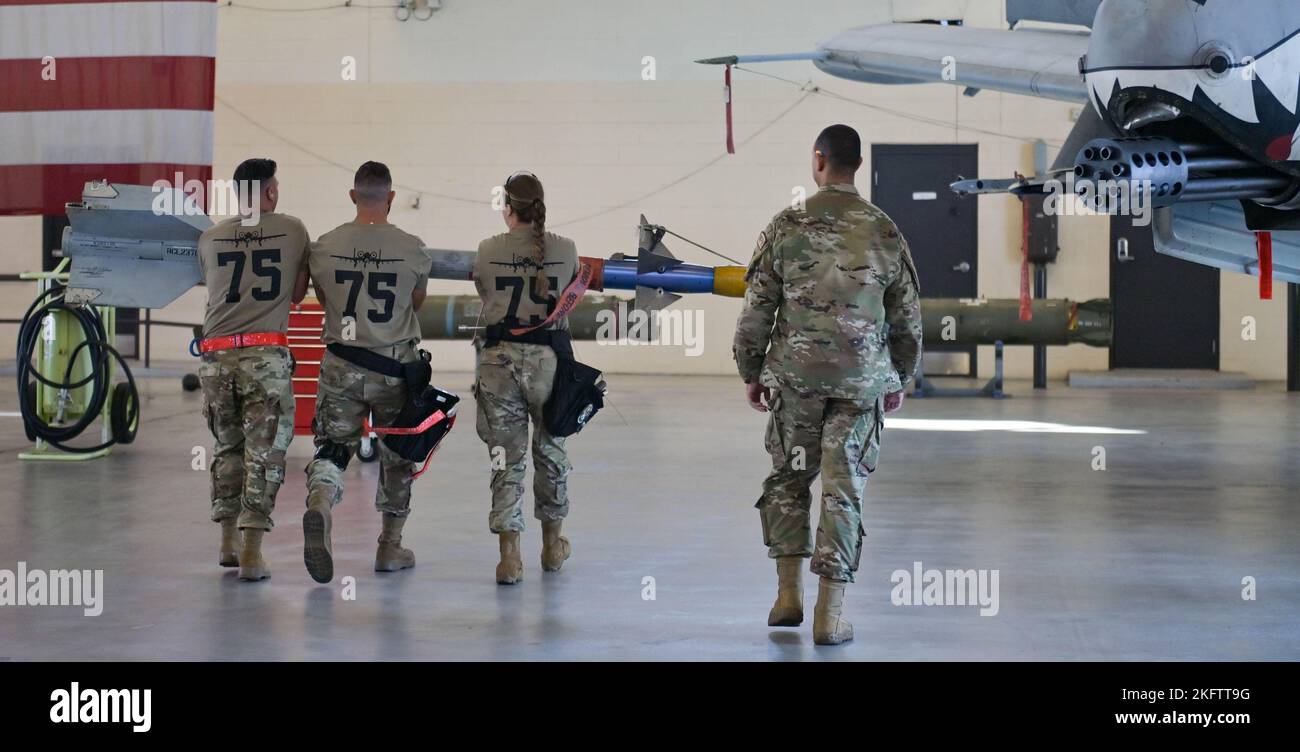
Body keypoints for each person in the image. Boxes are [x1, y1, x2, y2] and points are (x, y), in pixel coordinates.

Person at [733, 124, 923, 645]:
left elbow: (756, 313)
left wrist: (751, 373)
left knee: (790, 482)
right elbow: (906, 318)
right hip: (859, 388)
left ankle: (787, 594)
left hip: (795, 384)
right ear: (856, 165)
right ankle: (829, 616)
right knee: (843, 493)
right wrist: (900, 377)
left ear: (819, 161)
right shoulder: (885, 232)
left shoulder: (785, 226)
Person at [302, 161, 433, 583]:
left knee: (333, 448)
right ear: (391, 198)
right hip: (394, 367)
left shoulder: (324, 246)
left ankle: (321, 499)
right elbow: (414, 303)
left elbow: (324, 298)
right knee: (397, 458)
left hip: (342, 363)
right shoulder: (412, 247)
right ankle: (390, 547)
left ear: (352, 195)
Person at [196, 157, 311, 582]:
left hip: (215, 357)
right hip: (264, 356)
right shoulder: (293, 230)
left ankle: (225, 541)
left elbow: (213, 285)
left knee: (227, 448)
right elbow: (297, 293)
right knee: (263, 455)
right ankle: (251, 552)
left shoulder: (210, 238)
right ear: (270, 192)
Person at [473, 171, 578, 584]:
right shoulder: (566, 249)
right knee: (551, 451)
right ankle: (553, 547)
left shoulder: (486, 250)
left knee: (505, 458)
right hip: (548, 363)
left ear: (507, 208)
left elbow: (486, 295)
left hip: (499, 364)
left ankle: (509, 559)